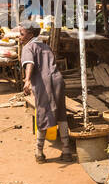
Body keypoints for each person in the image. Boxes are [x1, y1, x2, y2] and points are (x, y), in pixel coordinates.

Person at [19, 20, 73, 163]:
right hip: (58, 81)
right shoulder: (45, 46)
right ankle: (67, 150)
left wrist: (27, 80)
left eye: (21, 33)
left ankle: (39, 152)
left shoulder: (28, 47)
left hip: (44, 83)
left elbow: (29, 64)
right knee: (61, 113)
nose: (19, 36)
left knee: (42, 113)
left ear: (30, 34)